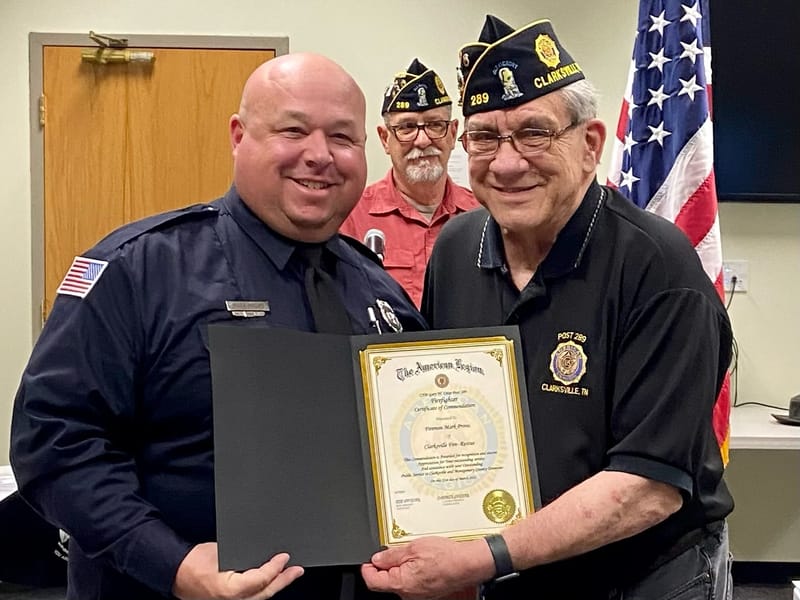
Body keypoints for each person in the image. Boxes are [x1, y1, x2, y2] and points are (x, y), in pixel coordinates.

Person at [10, 52, 425, 600]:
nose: (320, 155)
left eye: (342, 138)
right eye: (293, 130)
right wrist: (173, 563)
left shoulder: (381, 293)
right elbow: (53, 441)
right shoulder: (141, 269)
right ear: (238, 136)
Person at [362, 16, 734, 600]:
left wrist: (480, 559)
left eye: (534, 133)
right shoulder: (457, 251)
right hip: (507, 572)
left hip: (642, 575)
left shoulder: (659, 266)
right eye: (485, 137)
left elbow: (647, 486)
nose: (507, 163)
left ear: (590, 145)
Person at [340, 58, 478, 307]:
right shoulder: (349, 219)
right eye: (407, 127)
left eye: (436, 125)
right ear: (384, 139)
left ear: (453, 132)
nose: (423, 141)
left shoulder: (483, 216)